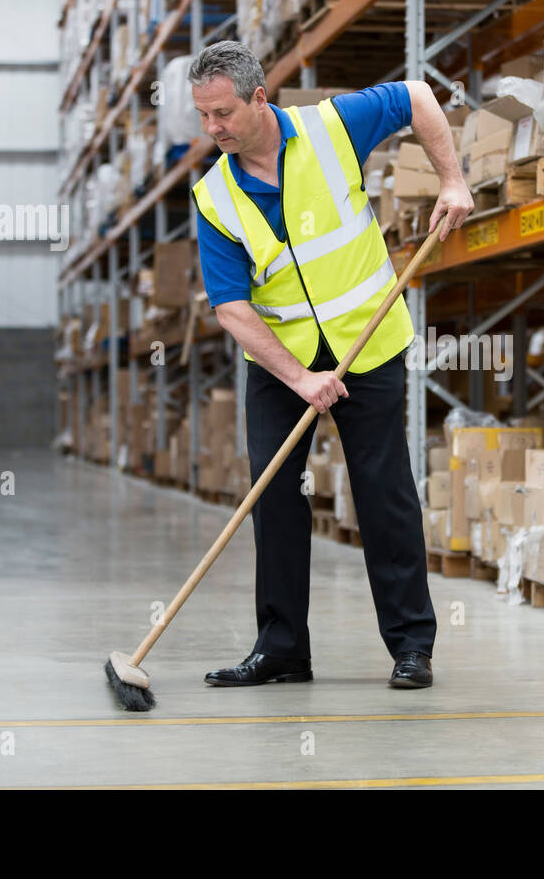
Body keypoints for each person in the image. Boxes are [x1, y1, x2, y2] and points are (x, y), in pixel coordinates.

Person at [187, 41, 473, 689]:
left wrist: (453, 180)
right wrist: (299, 377)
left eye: (223, 113)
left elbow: (418, 96)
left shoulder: (330, 126)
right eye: (203, 116)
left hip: (366, 347)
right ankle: (283, 647)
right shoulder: (214, 198)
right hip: (281, 362)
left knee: (384, 493)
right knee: (274, 496)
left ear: (260, 98)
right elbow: (231, 308)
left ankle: (410, 645)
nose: (214, 129)